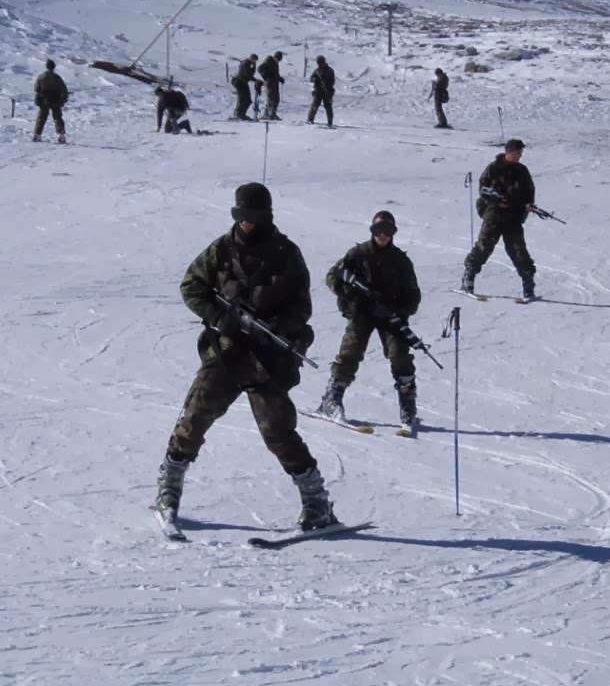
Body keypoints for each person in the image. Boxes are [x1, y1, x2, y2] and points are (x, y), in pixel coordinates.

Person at [154, 183, 337, 532]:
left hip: (267, 357)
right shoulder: (221, 250)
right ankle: (169, 489)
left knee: (278, 430)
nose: (246, 225)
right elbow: (191, 286)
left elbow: (302, 306)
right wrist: (219, 317)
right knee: (195, 415)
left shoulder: (286, 253)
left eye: (253, 218)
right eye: (242, 217)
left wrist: (276, 327)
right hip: (226, 351)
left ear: (266, 216)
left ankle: (317, 502)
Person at [318, 211, 422, 428]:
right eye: (378, 231)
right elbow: (332, 276)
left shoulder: (401, 261)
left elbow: (413, 295)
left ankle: (408, 405)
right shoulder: (358, 254)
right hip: (362, 312)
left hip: (390, 317)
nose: (383, 235)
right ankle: (332, 397)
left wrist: (398, 312)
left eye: (388, 231)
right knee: (350, 353)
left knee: (399, 356)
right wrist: (351, 295)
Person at [461, 138, 538, 300]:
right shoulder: (493, 168)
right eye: (518, 152)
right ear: (508, 152)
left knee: (518, 249)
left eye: (521, 152)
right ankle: (468, 277)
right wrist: (497, 202)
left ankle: (528, 283)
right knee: (484, 246)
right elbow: (483, 189)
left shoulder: (522, 170)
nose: (520, 155)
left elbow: (529, 190)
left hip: (514, 216)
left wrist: (528, 205)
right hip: (494, 215)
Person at [33, 59, 69, 143]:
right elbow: (64, 90)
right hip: (55, 99)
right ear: (54, 67)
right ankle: (61, 135)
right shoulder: (57, 77)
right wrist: (63, 100)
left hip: (44, 99)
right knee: (57, 117)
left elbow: (36, 89)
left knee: (41, 117)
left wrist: (38, 99)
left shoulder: (41, 77)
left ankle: (37, 135)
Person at [307, 55, 336, 127]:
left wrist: (326, 83)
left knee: (328, 107)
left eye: (320, 62)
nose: (319, 64)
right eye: (318, 63)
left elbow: (332, 81)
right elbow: (311, 78)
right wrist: (315, 80)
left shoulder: (329, 70)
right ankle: (310, 119)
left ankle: (330, 121)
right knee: (314, 106)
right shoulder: (317, 71)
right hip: (318, 91)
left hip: (327, 91)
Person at [231, 54, 261, 121]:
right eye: (254, 60)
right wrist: (255, 80)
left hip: (243, 82)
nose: (255, 62)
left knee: (248, 100)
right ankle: (238, 114)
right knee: (242, 99)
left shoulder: (250, 64)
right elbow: (247, 74)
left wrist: (254, 66)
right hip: (239, 82)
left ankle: (242, 114)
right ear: (251, 58)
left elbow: (251, 74)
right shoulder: (245, 63)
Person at [257, 51, 285, 120]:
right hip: (269, 83)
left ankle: (273, 114)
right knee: (270, 99)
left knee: (276, 99)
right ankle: (267, 114)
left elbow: (275, 74)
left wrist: (280, 78)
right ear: (275, 57)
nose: (278, 61)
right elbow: (260, 68)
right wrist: (266, 77)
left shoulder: (275, 63)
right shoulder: (269, 60)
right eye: (278, 59)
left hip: (275, 84)